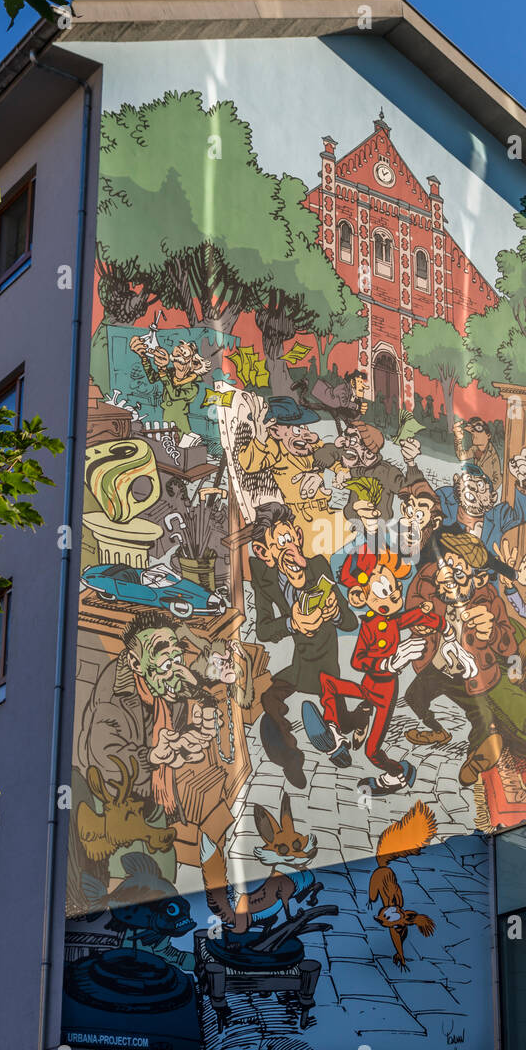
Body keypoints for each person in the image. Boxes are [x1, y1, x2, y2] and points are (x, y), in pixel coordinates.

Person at [403, 532, 526, 785]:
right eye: (445, 569)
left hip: (471, 674)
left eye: (459, 574)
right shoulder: (432, 582)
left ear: (478, 578)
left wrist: (491, 632)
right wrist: (420, 617)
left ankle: (475, 757)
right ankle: (438, 732)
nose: (449, 580)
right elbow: (415, 598)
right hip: (439, 666)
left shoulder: (489, 600)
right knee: (413, 697)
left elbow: (508, 642)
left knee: (482, 720)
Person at [302, 546, 440, 795]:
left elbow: (414, 618)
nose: (394, 594)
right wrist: (386, 663)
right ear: (360, 597)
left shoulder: (392, 621)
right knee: (328, 682)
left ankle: (398, 773)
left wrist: (438, 621)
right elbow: (358, 661)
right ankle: (334, 730)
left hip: (385, 694)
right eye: (383, 591)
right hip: (368, 686)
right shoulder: (369, 625)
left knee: (372, 751)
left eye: (394, 588)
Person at [249, 502, 357, 789]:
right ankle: (291, 761)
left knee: (339, 715)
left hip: (325, 665)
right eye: (278, 544)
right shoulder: (265, 576)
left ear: (298, 535)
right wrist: (291, 624)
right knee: (269, 700)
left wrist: (333, 613)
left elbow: (349, 623)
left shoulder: (318, 566)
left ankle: (340, 744)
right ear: (264, 553)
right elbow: (262, 629)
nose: (288, 549)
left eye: (290, 539)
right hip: (299, 664)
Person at [236, 394, 337, 557]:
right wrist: (260, 438)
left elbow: (340, 465)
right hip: (304, 521)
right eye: (297, 429)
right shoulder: (276, 449)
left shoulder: (310, 446)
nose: (303, 434)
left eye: (304, 427)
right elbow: (249, 465)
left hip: (328, 514)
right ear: (276, 432)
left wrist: (317, 444)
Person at [435, 455, 526, 569]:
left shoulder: (497, 516)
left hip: (485, 580)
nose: (472, 487)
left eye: (480, 485)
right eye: (467, 481)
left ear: (493, 497)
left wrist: (520, 481)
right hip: (449, 576)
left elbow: (520, 516)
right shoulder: (446, 501)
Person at [130, 334, 211, 436]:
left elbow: (174, 395)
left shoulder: (193, 387)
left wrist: (163, 371)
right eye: (179, 350)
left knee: (181, 444)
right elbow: (152, 378)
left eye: (184, 353)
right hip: (166, 418)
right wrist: (144, 357)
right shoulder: (170, 373)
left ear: (192, 364)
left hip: (180, 422)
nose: (179, 355)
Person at [453, 416, 502, 495]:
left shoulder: (492, 454)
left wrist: (487, 492)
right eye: (472, 432)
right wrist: (458, 439)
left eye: (478, 431)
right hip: (474, 489)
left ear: (488, 435)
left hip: (485, 493)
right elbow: (461, 455)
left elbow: (498, 478)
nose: (474, 435)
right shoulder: (475, 449)